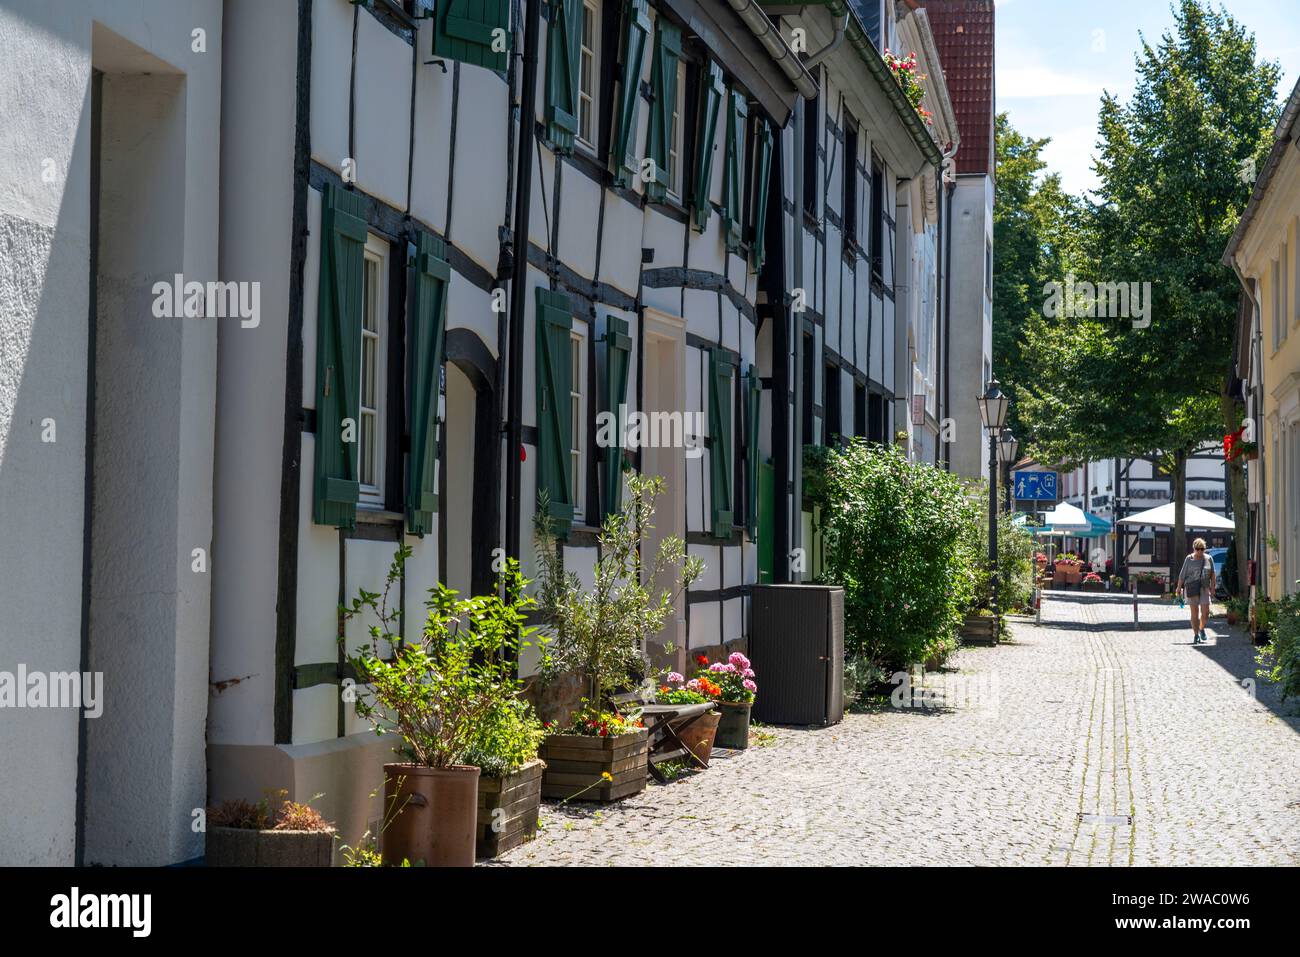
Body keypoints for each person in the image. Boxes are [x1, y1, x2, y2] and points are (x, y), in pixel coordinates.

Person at [1175, 538, 1217, 644]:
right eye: (1197, 549)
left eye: (1202, 549)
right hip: (1191, 588)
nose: (1199, 551)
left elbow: (1213, 574)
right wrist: (1178, 588)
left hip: (1204, 588)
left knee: (1206, 612)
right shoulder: (1189, 559)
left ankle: (1202, 628)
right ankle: (1196, 634)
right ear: (1194, 548)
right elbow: (1182, 575)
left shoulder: (1209, 559)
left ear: (1204, 549)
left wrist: (1213, 588)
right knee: (1194, 613)